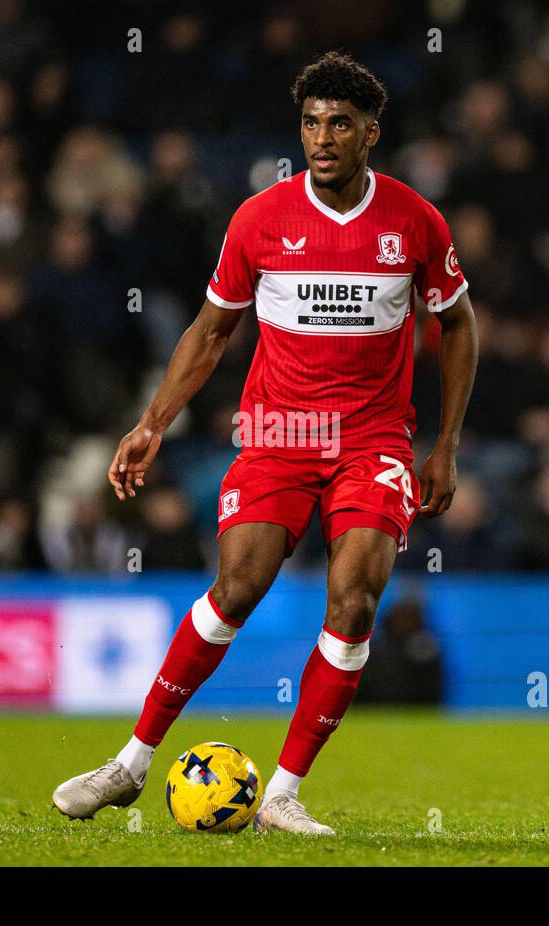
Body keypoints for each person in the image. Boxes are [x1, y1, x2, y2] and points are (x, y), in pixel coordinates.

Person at [52, 52, 477, 835]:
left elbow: (458, 324)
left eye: (340, 123)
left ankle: (281, 792)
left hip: (373, 440)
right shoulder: (259, 219)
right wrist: (152, 423)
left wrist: (446, 444)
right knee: (237, 588)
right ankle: (130, 764)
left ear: (370, 134)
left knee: (353, 598)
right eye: (312, 122)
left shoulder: (414, 223)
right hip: (278, 435)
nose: (323, 137)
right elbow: (212, 332)